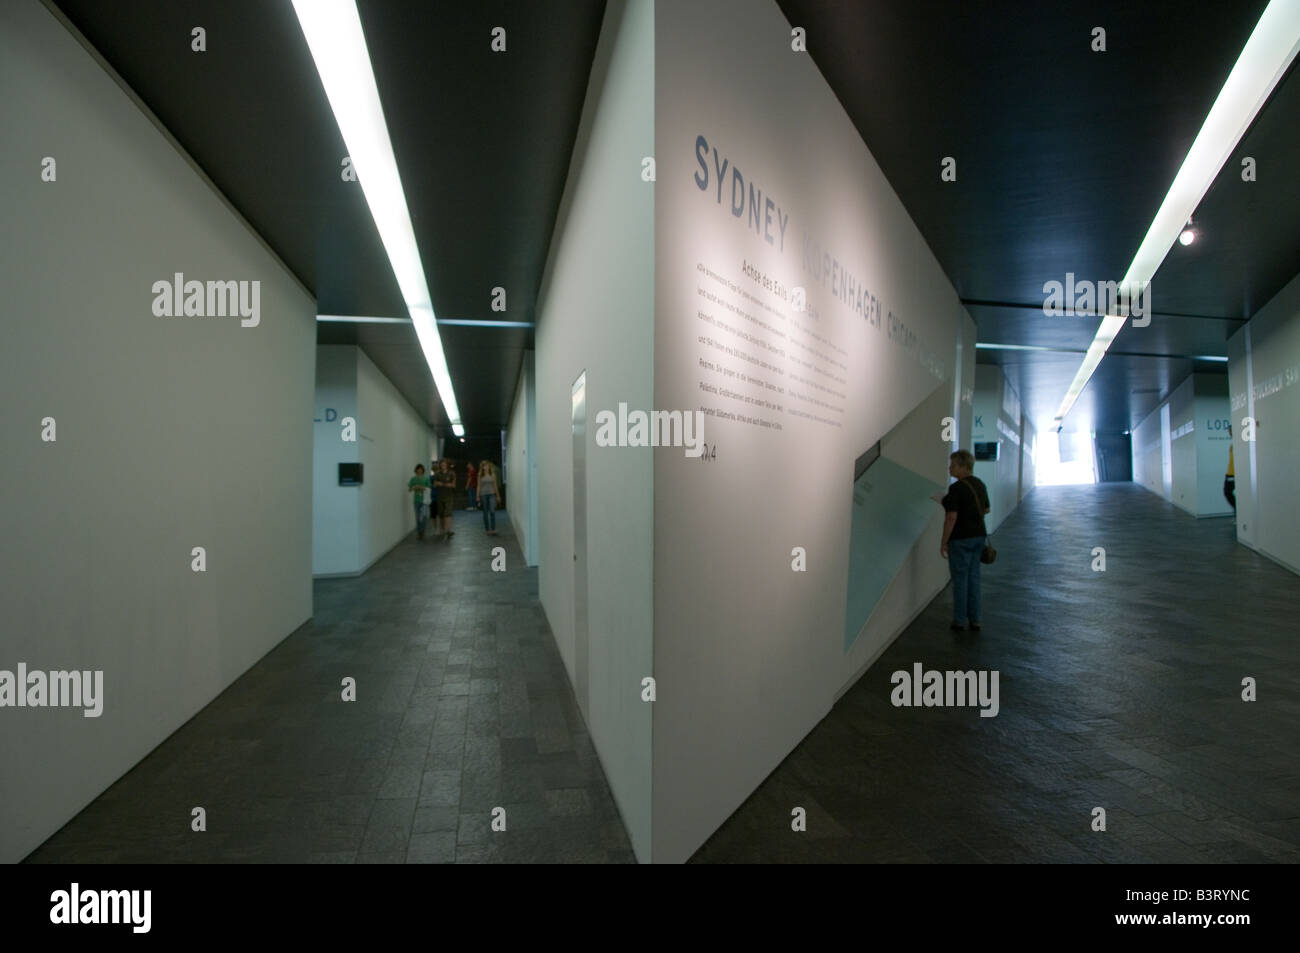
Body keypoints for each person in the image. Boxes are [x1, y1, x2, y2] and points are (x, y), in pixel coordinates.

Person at [939, 450, 990, 632]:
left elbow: (951, 517)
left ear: (962, 466)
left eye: (952, 465)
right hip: (978, 537)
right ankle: (975, 619)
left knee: (960, 580)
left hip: (960, 540)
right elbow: (986, 509)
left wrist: (944, 541)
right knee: (974, 578)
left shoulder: (956, 489)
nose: (950, 468)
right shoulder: (979, 484)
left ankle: (960, 620)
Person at [434, 458, 457, 539]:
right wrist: (438, 483)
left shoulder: (451, 473)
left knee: (448, 513)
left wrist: (449, 485)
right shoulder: (437, 474)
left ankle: (448, 530)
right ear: (440, 465)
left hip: (449, 496)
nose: (443, 465)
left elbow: (454, 485)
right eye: (442, 464)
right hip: (440, 496)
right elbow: (434, 484)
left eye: (444, 464)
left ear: (447, 465)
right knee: (441, 514)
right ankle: (443, 529)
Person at [408, 464, 431, 541]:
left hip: (424, 500)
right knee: (417, 517)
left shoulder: (426, 479)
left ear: (423, 470)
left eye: (421, 469)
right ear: (416, 470)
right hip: (416, 500)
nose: (419, 470)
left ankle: (423, 532)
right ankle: (419, 533)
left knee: (423, 518)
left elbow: (429, 488)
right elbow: (410, 489)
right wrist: (414, 487)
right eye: (418, 469)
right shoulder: (413, 479)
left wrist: (421, 487)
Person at [478, 460, 499, 535]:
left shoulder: (492, 474)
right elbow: (479, 486)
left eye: (487, 466)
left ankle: (493, 529)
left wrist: (498, 496)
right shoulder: (480, 475)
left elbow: (495, 485)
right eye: (484, 466)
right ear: (482, 467)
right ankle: (487, 530)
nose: (486, 467)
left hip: (492, 494)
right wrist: (477, 496)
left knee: (492, 511)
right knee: (485, 512)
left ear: (489, 466)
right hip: (483, 494)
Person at [1224, 423, 1236, 511]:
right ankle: (1238, 513)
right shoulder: (1232, 445)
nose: (1229, 432)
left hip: (1234, 475)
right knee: (1227, 492)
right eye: (1229, 431)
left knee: (1228, 492)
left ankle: (1239, 513)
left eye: (1230, 430)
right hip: (1230, 474)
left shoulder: (1240, 443)